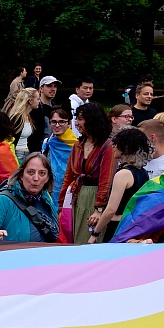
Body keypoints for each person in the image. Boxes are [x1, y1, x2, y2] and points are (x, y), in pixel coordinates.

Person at [0, 152, 59, 242]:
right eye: (31, 172)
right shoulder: (2, 200)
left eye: (42, 173)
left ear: (47, 178)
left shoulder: (46, 200)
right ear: (21, 175)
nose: (36, 178)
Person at [89, 126, 153, 243]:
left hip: (117, 226)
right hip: (134, 225)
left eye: (116, 143)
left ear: (126, 148)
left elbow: (111, 210)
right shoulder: (143, 172)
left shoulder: (123, 174)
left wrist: (95, 233)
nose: (113, 146)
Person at [62, 102, 114, 245]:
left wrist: (98, 209)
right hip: (77, 196)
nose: (76, 123)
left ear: (92, 120)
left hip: (96, 198)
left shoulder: (107, 146)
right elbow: (68, 177)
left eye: (80, 119)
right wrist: (61, 207)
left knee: (88, 241)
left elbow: (106, 180)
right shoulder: (77, 146)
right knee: (73, 240)